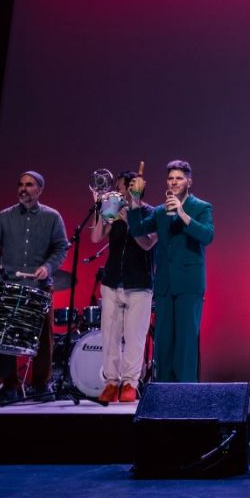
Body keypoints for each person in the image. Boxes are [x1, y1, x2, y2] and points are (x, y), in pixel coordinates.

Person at [0, 171, 69, 400]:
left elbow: (61, 247)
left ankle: (41, 385)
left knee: (43, 338)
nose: (23, 188)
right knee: (5, 338)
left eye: (29, 185)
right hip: (9, 285)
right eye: (20, 184)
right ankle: (11, 386)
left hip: (39, 287)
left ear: (39, 189)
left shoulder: (52, 217)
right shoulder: (4, 217)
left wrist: (48, 267)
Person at [127, 160, 214, 383]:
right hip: (165, 284)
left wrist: (183, 214)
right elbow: (137, 229)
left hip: (189, 284)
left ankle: (186, 393)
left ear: (189, 182)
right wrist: (135, 201)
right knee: (163, 341)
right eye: (171, 178)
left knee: (186, 341)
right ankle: (164, 392)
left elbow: (207, 235)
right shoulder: (159, 211)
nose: (174, 182)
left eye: (179, 178)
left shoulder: (201, 207)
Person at [89, 170, 157, 403]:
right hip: (112, 281)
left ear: (132, 188)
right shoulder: (113, 209)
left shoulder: (151, 213)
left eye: (119, 188)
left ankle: (130, 382)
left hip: (139, 283)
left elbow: (148, 243)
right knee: (110, 335)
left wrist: (131, 219)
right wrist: (100, 209)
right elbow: (96, 237)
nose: (115, 193)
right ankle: (111, 382)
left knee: (135, 337)